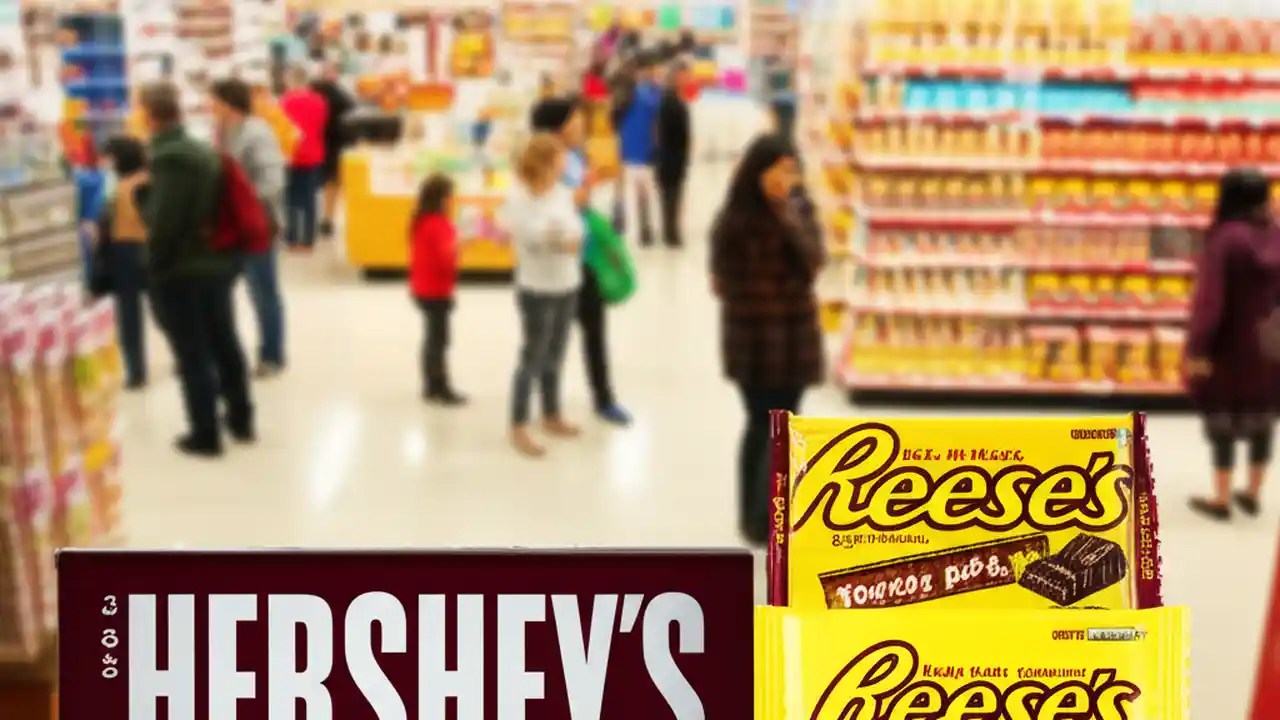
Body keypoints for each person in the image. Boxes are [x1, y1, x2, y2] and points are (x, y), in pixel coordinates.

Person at [711, 134, 825, 544]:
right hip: (755, 340)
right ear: (757, 172)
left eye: (791, 169)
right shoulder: (736, 219)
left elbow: (815, 259)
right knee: (761, 424)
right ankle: (756, 516)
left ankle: (771, 511)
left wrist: (790, 216)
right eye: (777, 168)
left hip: (793, 338)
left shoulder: (799, 208)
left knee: (785, 425)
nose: (785, 177)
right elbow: (724, 279)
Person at [138, 81, 254, 457]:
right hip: (217, 261)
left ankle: (205, 433)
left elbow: (166, 222)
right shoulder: (203, 150)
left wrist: (153, 266)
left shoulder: (171, 158)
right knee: (224, 341)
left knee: (192, 352)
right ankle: (241, 418)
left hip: (185, 268)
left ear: (149, 116)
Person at [1186, 168, 1280, 520]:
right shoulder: (1277, 235)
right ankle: (1253, 491)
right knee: (1264, 415)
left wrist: (1198, 348)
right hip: (1272, 343)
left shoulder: (1225, 239)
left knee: (1221, 418)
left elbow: (1211, 301)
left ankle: (1222, 499)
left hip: (1229, 343)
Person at [531, 97, 631, 426]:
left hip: (584, 258)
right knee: (552, 335)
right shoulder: (543, 163)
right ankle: (549, 403)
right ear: (559, 128)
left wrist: (589, 183)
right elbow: (548, 207)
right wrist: (581, 193)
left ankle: (604, 398)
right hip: (557, 261)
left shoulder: (573, 156)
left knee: (594, 331)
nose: (582, 126)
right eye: (575, 121)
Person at [499, 133, 584, 457]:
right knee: (532, 356)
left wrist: (566, 237)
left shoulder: (562, 193)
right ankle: (518, 423)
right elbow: (530, 237)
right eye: (560, 158)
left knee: (557, 354)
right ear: (545, 163)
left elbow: (575, 228)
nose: (565, 162)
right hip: (536, 288)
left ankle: (551, 413)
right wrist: (561, 240)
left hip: (567, 283)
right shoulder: (517, 199)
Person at [210, 77, 289, 378]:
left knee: (263, 292)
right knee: (220, 291)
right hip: (231, 228)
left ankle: (272, 355)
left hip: (257, 228)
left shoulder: (256, 133)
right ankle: (224, 354)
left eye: (214, 101)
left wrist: (243, 201)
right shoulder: (222, 131)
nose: (210, 107)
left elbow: (273, 182)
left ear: (229, 103)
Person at [409, 173, 466, 406]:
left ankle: (430, 384)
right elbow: (446, 258)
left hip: (422, 287)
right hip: (437, 290)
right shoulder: (440, 224)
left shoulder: (421, 221)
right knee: (439, 340)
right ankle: (440, 385)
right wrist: (462, 245)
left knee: (431, 337)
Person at [99, 135, 151, 389]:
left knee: (129, 314)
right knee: (163, 310)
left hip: (127, 250)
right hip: (145, 248)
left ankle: (136, 371)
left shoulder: (121, 186)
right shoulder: (147, 180)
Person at [280, 65, 329, 252]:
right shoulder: (319, 101)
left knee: (290, 199)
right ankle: (308, 240)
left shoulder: (285, 101)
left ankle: (292, 238)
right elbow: (320, 126)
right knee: (310, 199)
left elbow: (282, 128)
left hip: (290, 156)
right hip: (314, 154)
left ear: (290, 80)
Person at [616, 53, 662, 246]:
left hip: (631, 149)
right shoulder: (644, 93)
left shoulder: (626, 95)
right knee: (640, 192)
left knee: (633, 192)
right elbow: (657, 111)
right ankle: (642, 230)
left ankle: (634, 228)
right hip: (639, 150)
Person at [311, 61, 355, 239]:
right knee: (332, 182)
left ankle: (323, 219)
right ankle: (327, 219)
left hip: (322, 140)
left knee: (323, 183)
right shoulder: (341, 95)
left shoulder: (317, 93)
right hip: (338, 141)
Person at [654, 61, 691, 248]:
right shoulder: (669, 101)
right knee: (670, 196)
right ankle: (671, 234)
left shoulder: (676, 99)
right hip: (669, 157)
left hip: (676, 157)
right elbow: (663, 132)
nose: (687, 79)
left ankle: (672, 231)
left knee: (674, 196)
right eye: (684, 75)